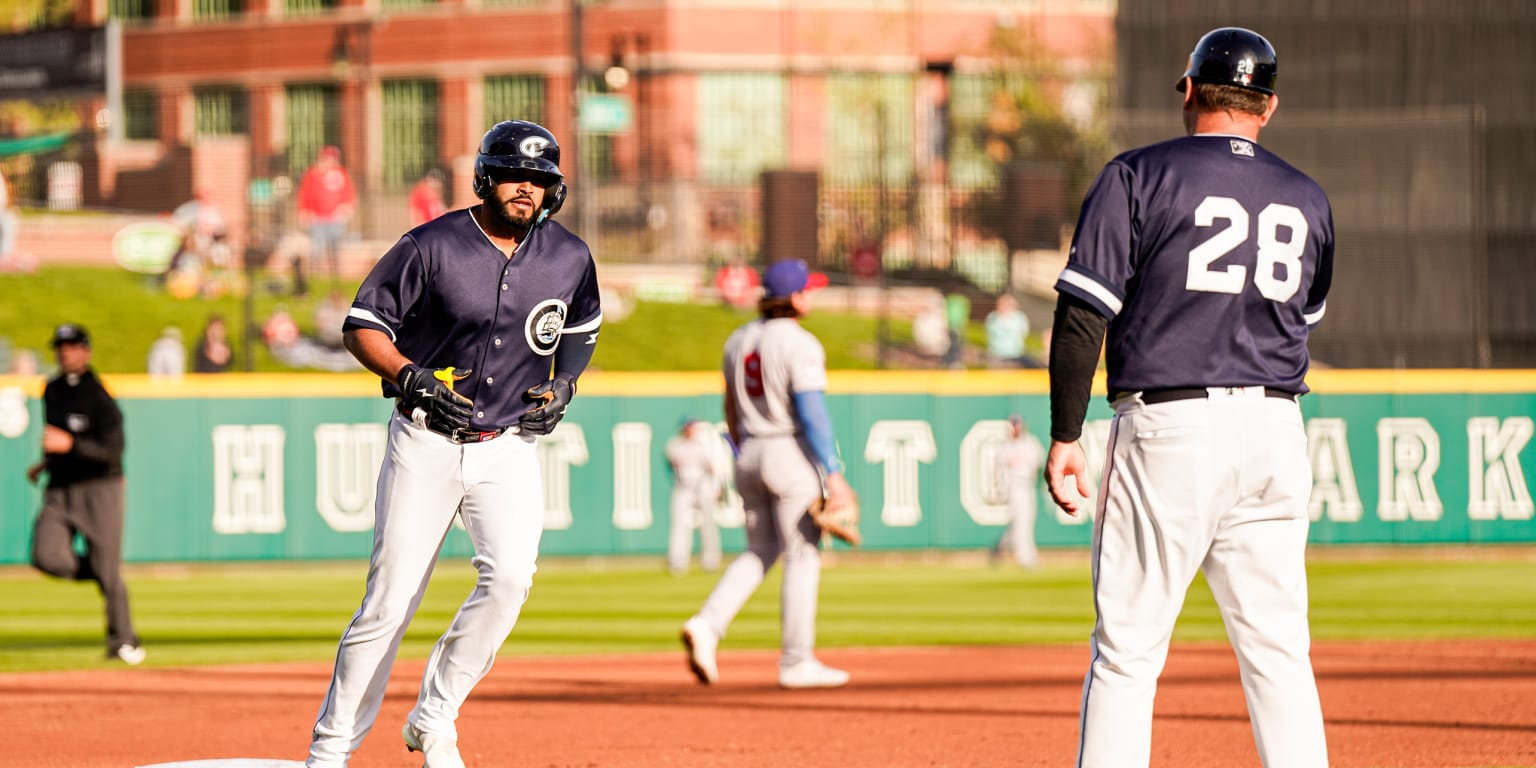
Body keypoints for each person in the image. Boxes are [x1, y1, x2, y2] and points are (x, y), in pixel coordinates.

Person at [1042, 28, 1332, 768]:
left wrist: (1065, 435)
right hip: (1276, 427)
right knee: (1279, 655)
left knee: (1128, 654)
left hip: (1172, 424)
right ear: (1267, 106)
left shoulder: (1136, 175)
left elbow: (1084, 315)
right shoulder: (1307, 196)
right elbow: (1303, 321)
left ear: (1190, 90)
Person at [305, 119, 602, 768]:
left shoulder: (570, 257)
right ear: (486, 177)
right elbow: (363, 325)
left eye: (541, 178)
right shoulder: (430, 245)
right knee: (389, 603)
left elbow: (583, 326)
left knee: (510, 583)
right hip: (426, 440)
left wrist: (567, 384)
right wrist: (407, 374)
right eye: (515, 174)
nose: (527, 187)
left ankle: (434, 717)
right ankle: (330, 753)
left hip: (507, 447)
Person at [680, 257, 855, 690]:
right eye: (807, 289)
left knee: (759, 551)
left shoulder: (738, 339)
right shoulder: (800, 342)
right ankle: (796, 661)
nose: (810, 294)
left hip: (749, 451)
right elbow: (812, 413)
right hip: (787, 450)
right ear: (794, 297)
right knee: (801, 555)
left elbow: (729, 409)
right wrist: (833, 474)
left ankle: (707, 624)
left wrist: (745, 452)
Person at [26, 324, 145, 665]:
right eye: (61, 346)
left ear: (86, 351)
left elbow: (112, 451)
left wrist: (71, 445)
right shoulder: (51, 389)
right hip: (61, 489)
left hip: (100, 488)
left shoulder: (99, 397)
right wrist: (46, 463)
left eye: (73, 345)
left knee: (110, 572)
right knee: (45, 555)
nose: (66, 352)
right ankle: (102, 569)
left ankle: (123, 640)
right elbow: (58, 440)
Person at [665, 418, 723, 577]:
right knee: (679, 524)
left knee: (708, 525)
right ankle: (677, 561)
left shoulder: (702, 445)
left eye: (692, 427)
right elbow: (670, 464)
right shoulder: (675, 445)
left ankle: (711, 560)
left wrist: (716, 487)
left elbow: (710, 467)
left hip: (701, 486)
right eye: (688, 427)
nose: (691, 430)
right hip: (683, 487)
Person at [296, 145, 357, 283]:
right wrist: (304, 212)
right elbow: (304, 194)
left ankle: (336, 275)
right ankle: (315, 274)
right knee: (316, 247)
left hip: (335, 219)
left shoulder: (341, 174)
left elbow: (349, 194)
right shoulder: (313, 174)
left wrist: (347, 209)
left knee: (335, 247)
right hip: (317, 219)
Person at [990, 414, 1044, 567]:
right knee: (1021, 522)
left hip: (1028, 485)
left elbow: (1039, 464)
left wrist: (1041, 483)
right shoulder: (1005, 447)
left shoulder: (1030, 443)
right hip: (1013, 487)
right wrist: (999, 490)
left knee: (1024, 521)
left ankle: (999, 547)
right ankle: (1026, 558)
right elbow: (998, 472)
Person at [984, 293, 1031, 368]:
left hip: (1015, 354)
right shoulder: (993, 317)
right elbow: (992, 333)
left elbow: (1022, 333)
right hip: (997, 354)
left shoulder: (1019, 317)